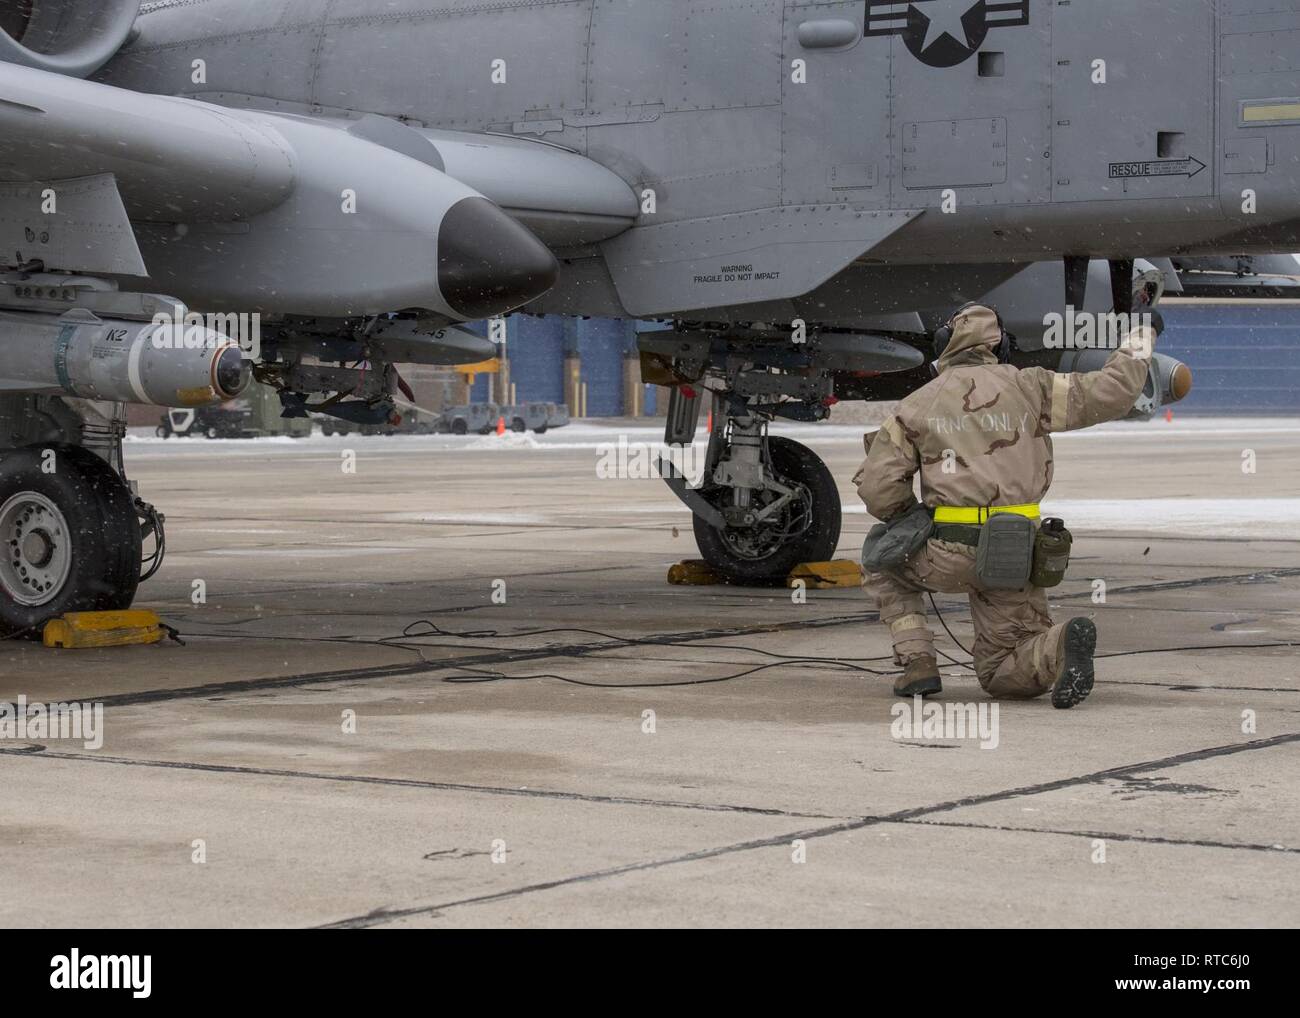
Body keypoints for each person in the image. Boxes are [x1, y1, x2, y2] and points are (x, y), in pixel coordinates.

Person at [855, 303, 1155, 708]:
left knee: (882, 561)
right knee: (1002, 672)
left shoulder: (917, 404)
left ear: (945, 346)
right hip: (1016, 555)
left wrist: (907, 518)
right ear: (1002, 347)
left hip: (946, 554)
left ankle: (919, 663)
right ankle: (1058, 645)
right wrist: (1140, 339)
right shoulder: (1032, 387)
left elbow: (878, 488)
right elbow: (1114, 393)